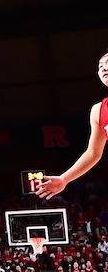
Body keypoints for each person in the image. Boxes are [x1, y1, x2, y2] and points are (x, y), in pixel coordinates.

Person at [36, 49, 108, 199]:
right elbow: (93, 153)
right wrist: (64, 178)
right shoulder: (98, 110)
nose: (104, 69)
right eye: (100, 66)